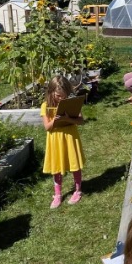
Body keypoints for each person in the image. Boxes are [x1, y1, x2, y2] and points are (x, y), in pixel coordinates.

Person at [41, 75, 86, 208]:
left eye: (64, 95)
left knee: (74, 163)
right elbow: (47, 127)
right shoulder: (46, 106)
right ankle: (58, 194)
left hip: (70, 137)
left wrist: (68, 119)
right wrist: (56, 120)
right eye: (58, 96)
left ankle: (78, 191)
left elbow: (81, 121)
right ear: (51, 92)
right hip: (55, 140)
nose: (61, 98)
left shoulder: (71, 102)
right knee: (56, 166)